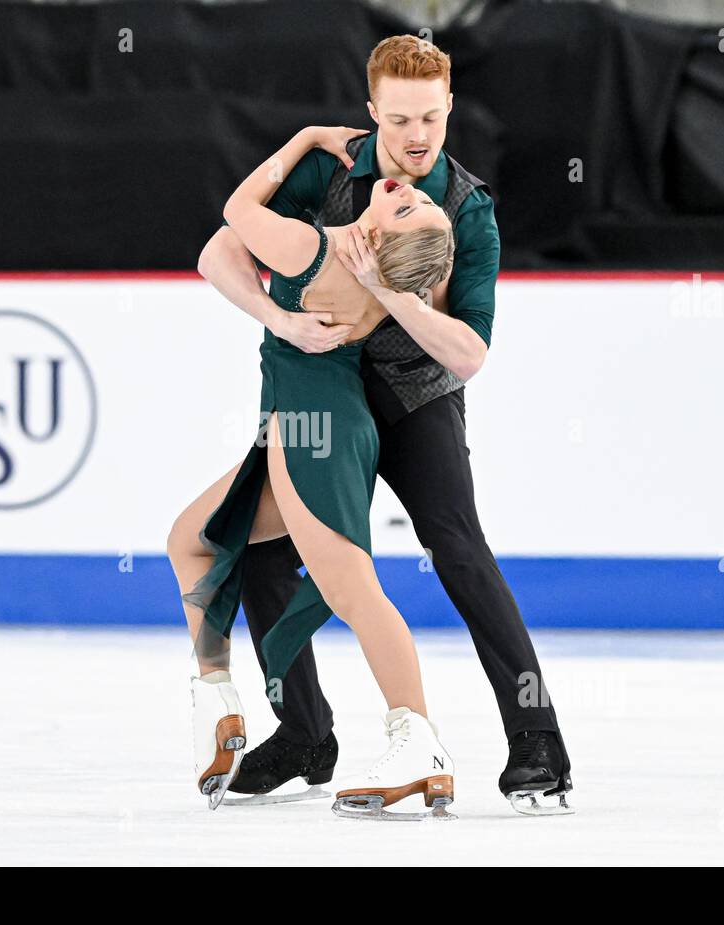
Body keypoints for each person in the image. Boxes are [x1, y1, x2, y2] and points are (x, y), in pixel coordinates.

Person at [196, 34, 573, 816]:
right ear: (372, 114)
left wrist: (391, 294)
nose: (415, 137)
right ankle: (304, 733)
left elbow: (468, 354)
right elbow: (225, 245)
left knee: (458, 547)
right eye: (399, 119)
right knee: (266, 553)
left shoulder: (466, 210)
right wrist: (277, 316)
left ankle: (537, 742)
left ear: (449, 111)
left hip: (415, 394)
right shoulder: (331, 168)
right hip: (324, 387)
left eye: (430, 118)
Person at [168, 123, 458, 819]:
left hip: (314, 431)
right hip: (311, 424)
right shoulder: (370, 271)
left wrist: (300, 142)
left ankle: (419, 743)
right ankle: (219, 700)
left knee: (354, 593)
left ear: (384, 240)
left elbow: (236, 213)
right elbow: (219, 254)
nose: (407, 190)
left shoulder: (312, 246)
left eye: (412, 207)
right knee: (192, 539)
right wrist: (278, 315)